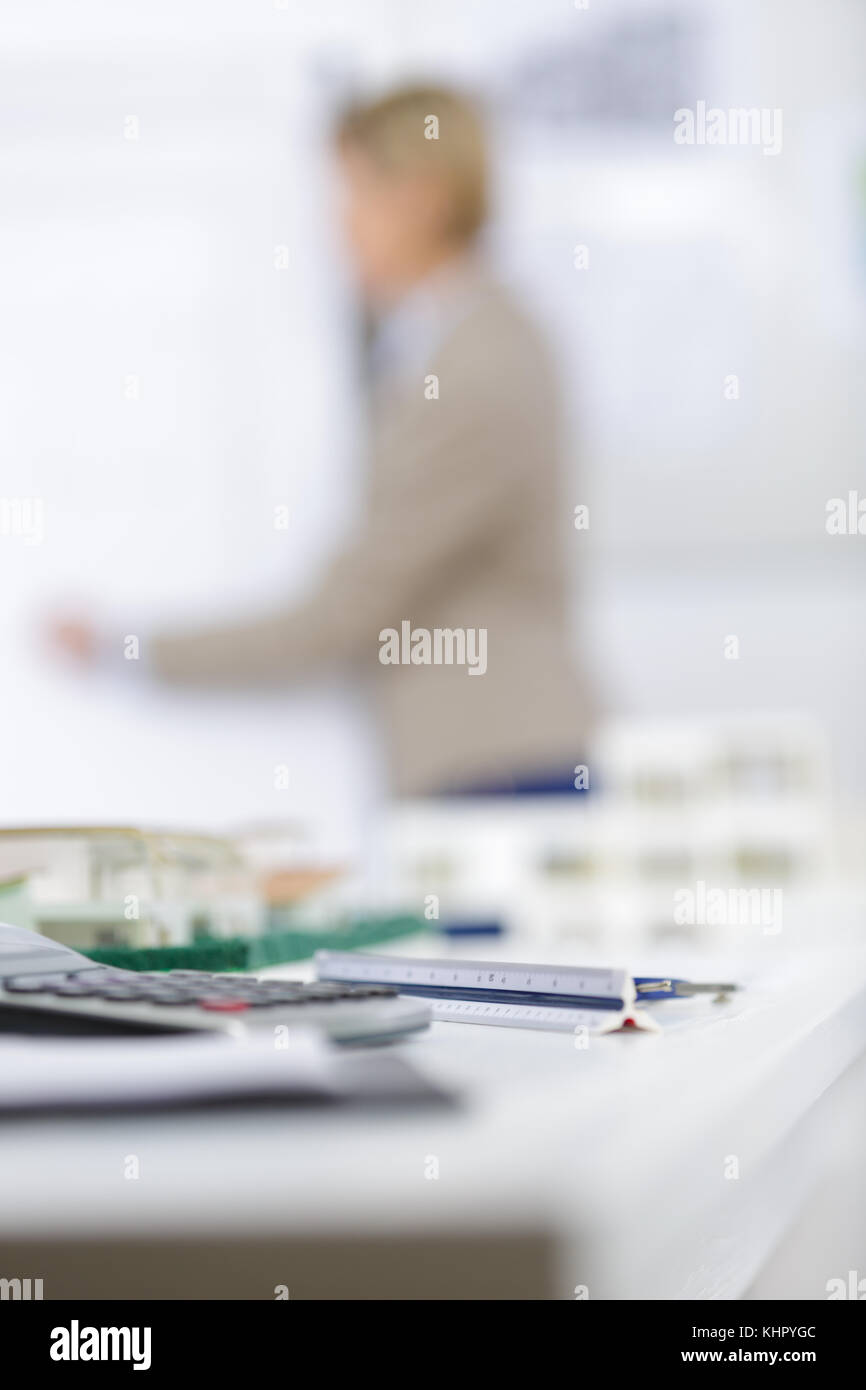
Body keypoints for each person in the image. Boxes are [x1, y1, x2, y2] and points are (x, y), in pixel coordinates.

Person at [50, 84, 590, 797]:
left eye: (357, 196)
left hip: (502, 774)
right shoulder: (432, 345)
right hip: (484, 767)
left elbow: (343, 614)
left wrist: (130, 646)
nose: (340, 227)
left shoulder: (476, 368)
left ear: (424, 199)